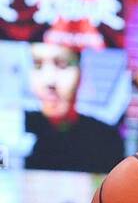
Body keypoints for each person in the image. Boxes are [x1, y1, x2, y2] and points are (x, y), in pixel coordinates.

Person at [25, 42, 123, 174]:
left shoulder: (105, 139)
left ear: (81, 73)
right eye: (37, 65)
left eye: (62, 65)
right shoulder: (12, 129)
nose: (49, 81)